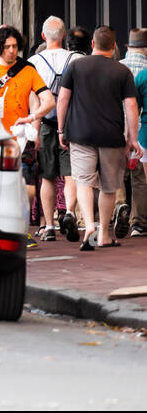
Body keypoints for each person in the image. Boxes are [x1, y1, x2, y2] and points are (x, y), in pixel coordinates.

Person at [57, 26, 143, 250]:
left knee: (84, 182)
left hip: (80, 133)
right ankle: (104, 233)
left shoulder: (76, 66)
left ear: (92, 44)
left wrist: (60, 129)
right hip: (111, 135)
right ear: (114, 47)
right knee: (109, 186)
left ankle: (90, 227)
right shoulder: (122, 71)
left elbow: (63, 99)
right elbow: (131, 106)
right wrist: (132, 138)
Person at [0, 24, 55, 244]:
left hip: (22, 137)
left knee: (28, 189)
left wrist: (33, 118)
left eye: (15, 46)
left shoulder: (28, 69)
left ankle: (22, 230)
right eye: (7, 47)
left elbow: (49, 100)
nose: (12, 51)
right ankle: (0, 229)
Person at [29, 16, 77, 241]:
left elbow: (34, 102)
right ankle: (70, 213)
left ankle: (48, 227)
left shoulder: (34, 62)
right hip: (71, 126)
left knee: (47, 178)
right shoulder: (76, 59)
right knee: (71, 176)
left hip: (46, 125)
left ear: (42, 36)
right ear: (64, 35)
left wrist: (35, 131)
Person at [129, 28, 147, 236]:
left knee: (140, 180)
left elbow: (136, 106)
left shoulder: (140, 76)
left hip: (142, 133)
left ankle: (133, 218)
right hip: (140, 133)